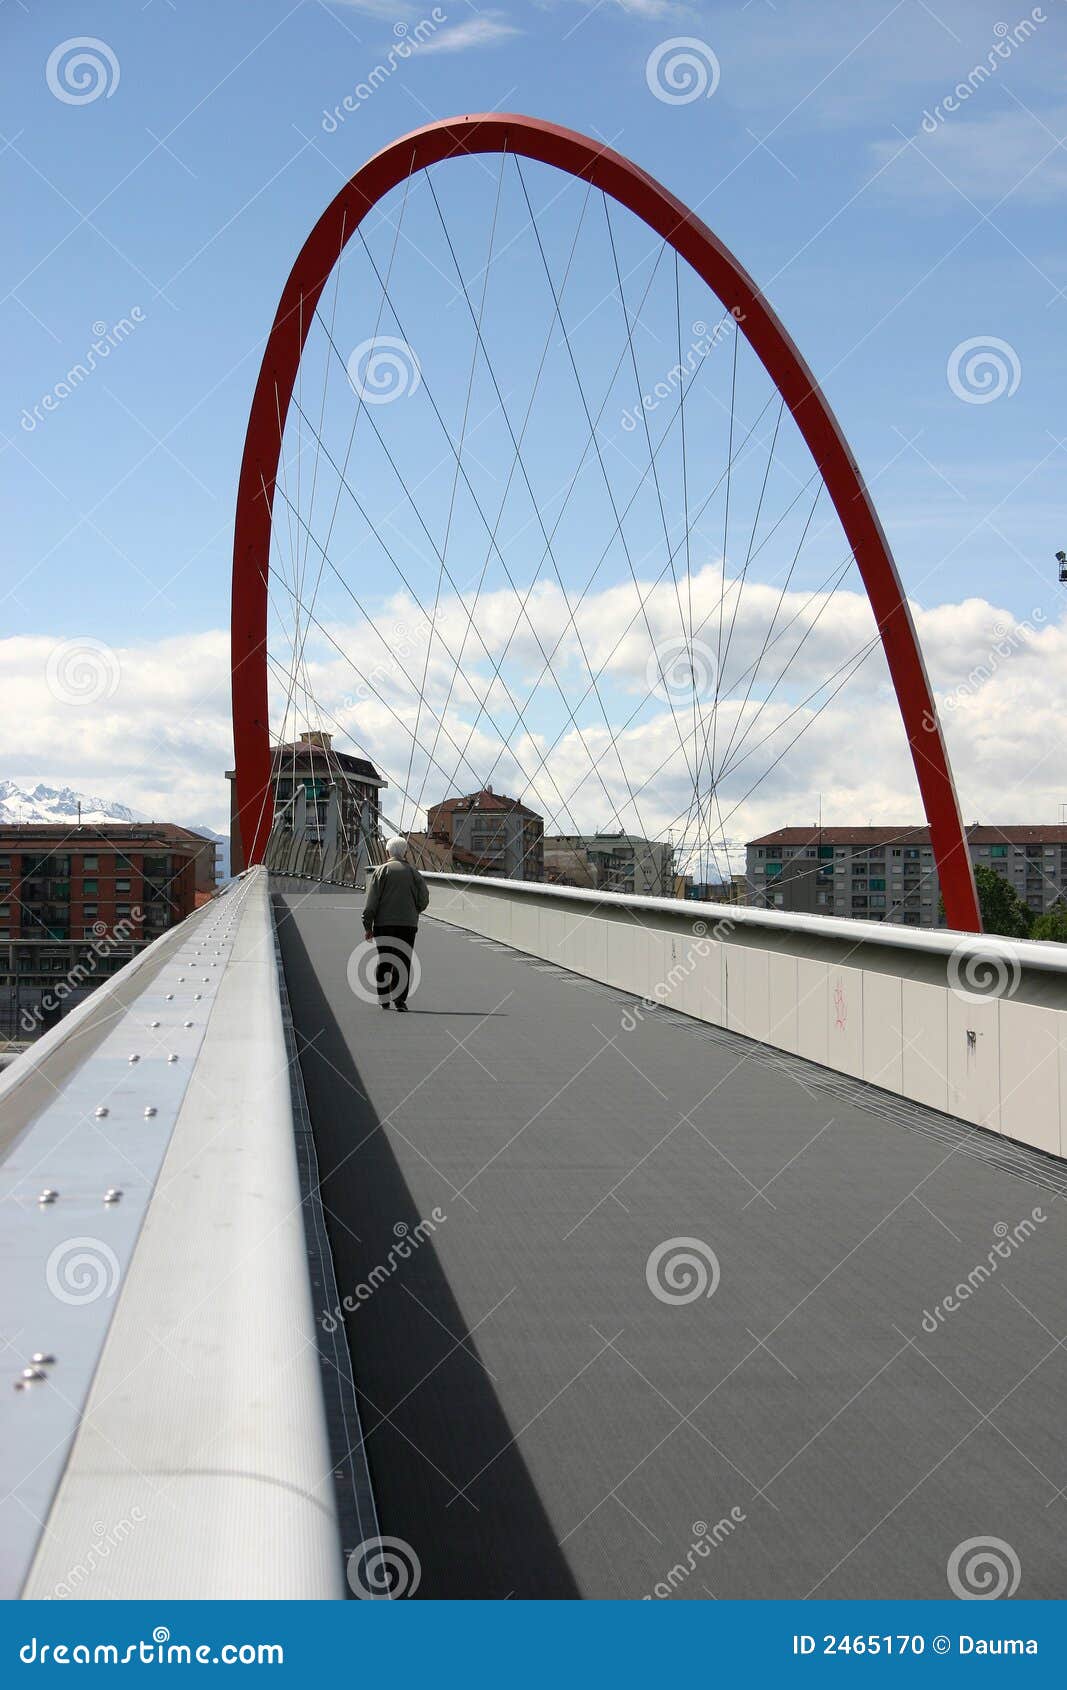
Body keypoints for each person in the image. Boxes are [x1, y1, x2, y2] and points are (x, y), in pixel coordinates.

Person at [362, 836, 430, 1011]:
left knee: (384, 959)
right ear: (405, 852)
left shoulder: (381, 871)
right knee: (403, 959)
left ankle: (383, 998)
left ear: (387, 852)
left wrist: (367, 925)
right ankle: (400, 1000)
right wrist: (415, 911)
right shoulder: (414, 872)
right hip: (408, 924)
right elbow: (424, 897)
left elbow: (371, 902)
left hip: (383, 924)